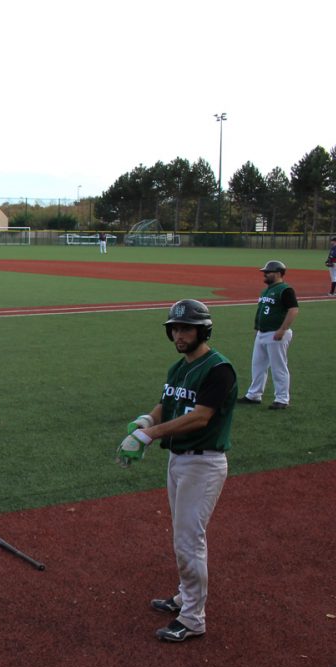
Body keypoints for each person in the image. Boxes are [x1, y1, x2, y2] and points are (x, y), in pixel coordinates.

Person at [115, 299, 237, 643]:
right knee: (182, 537)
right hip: (179, 460)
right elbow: (166, 403)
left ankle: (193, 618)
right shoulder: (178, 367)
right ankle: (185, 596)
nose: (180, 335)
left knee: (189, 540)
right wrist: (146, 420)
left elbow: (200, 417)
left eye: (187, 329)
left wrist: (150, 435)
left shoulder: (219, 369)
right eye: (175, 329)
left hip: (203, 463)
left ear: (203, 331)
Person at [238, 260, 299, 410]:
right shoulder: (266, 290)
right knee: (257, 366)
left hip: (276, 333)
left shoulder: (285, 290)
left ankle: (282, 399)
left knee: (278, 367)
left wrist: (282, 329)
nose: (264, 274)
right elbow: (261, 310)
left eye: (268, 272)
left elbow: (293, 310)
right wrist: (257, 328)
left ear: (278, 273)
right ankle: (254, 395)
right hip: (262, 333)